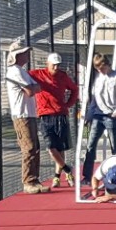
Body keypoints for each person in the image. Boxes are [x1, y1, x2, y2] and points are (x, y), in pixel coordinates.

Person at [30, 51, 77, 190]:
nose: (56, 68)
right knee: (51, 147)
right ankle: (68, 170)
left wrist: (68, 104)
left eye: (58, 65)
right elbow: (21, 76)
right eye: (53, 65)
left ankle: (57, 176)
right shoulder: (37, 74)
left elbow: (74, 90)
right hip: (45, 116)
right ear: (48, 64)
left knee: (60, 148)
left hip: (61, 115)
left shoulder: (63, 76)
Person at [82, 54, 116, 185]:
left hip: (111, 115)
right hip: (98, 115)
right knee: (90, 145)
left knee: (114, 146)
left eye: (101, 67)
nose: (100, 71)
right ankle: (87, 176)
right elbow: (94, 99)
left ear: (106, 65)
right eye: (97, 68)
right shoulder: (98, 79)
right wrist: (89, 115)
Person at [2, 44, 43, 193]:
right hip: (21, 115)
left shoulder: (22, 71)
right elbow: (31, 90)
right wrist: (34, 87)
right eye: (23, 53)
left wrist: (34, 87)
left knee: (36, 147)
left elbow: (36, 88)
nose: (26, 55)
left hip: (30, 113)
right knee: (29, 148)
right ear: (16, 55)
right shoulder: (14, 71)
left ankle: (35, 180)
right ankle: (28, 182)